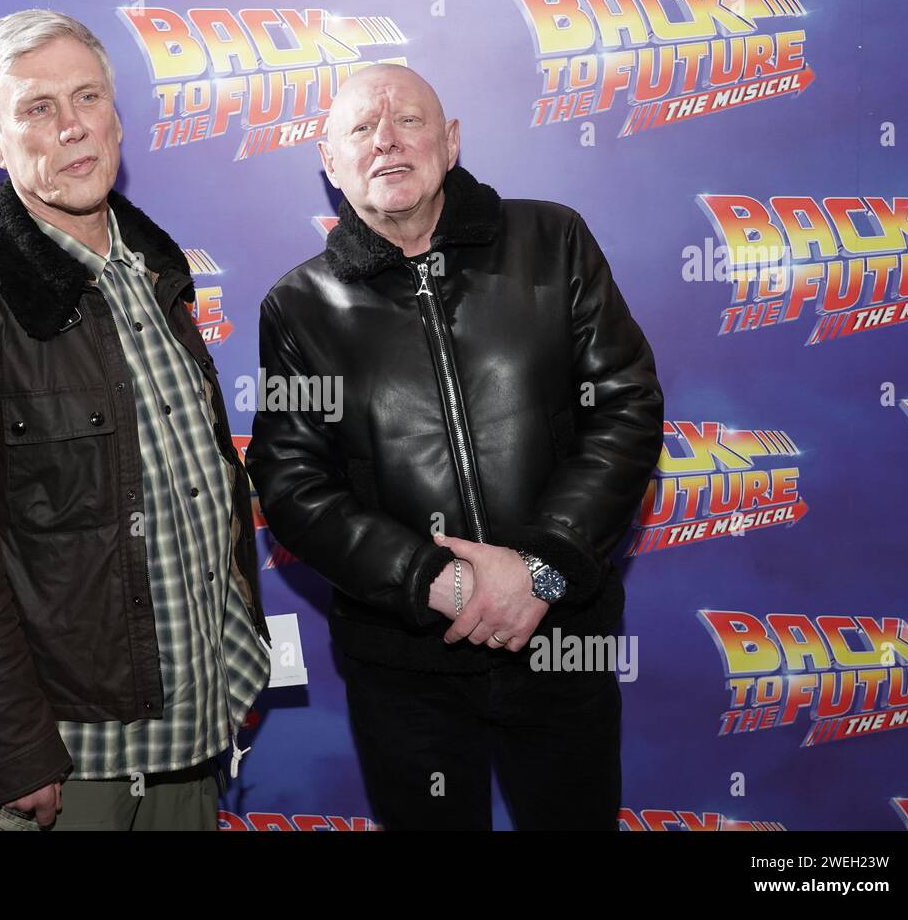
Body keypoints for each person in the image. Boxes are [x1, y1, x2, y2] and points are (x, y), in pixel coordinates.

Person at [245, 64, 664, 830]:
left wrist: (539, 570)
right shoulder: (299, 306)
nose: (387, 142)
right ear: (330, 165)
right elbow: (292, 483)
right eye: (361, 130)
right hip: (405, 667)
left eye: (408, 120)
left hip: (560, 642)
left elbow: (624, 408)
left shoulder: (553, 241)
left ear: (452, 140)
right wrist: (438, 581)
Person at [0, 9, 270, 832]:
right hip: (74, 765)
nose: (70, 127)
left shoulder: (154, 271)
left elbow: (195, 489)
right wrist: (14, 749)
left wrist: (241, 657)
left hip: (196, 733)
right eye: (35, 109)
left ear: (116, 114)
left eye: (86, 96)